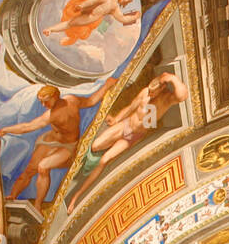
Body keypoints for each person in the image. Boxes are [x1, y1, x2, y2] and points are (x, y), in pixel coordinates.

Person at [65, 72, 189, 210]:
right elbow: (130, 107)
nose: (151, 95)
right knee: (95, 146)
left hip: (133, 135)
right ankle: (78, 163)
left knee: (105, 160)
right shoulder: (145, 93)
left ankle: (77, 195)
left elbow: (183, 95)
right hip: (126, 125)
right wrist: (117, 119)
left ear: (162, 90)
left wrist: (172, 78)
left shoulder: (165, 100)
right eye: (150, 91)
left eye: (154, 93)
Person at [0, 79, 118, 210]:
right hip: (48, 141)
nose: (44, 105)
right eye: (41, 101)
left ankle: (37, 205)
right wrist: (5, 130)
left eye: (46, 101)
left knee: (43, 167)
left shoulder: (72, 101)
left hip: (67, 146)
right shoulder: (50, 115)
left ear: (55, 96)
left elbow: (91, 101)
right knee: (30, 169)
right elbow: (27, 127)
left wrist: (107, 85)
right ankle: (12, 196)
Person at [42, 0, 139, 46]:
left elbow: (122, 19)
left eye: (128, 0)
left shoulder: (115, 9)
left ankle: (50, 30)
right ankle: (81, 5)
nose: (126, 0)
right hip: (90, 6)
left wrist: (134, 17)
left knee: (71, 23)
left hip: (93, 16)